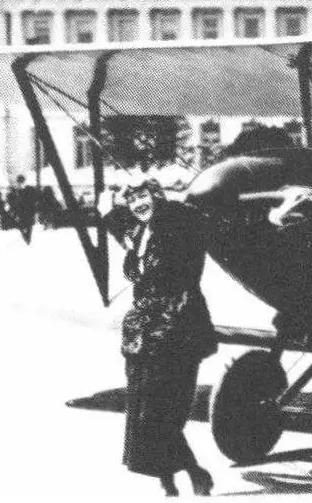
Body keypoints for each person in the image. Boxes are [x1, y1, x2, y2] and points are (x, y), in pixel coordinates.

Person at [104, 178, 216, 497]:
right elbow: (121, 224)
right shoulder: (140, 233)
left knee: (161, 412)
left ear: (157, 196)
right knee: (143, 412)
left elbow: (186, 217)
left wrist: (168, 203)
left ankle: (194, 472)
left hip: (177, 329)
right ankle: (168, 482)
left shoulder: (176, 226)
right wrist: (108, 208)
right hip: (142, 335)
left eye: (143, 196)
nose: (137, 204)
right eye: (131, 199)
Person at [7, 175, 38, 245]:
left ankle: (28, 239)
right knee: (21, 225)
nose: (20, 183)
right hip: (20, 211)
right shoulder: (16, 190)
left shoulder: (29, 189)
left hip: (28, 210)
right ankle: (26, 238)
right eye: (19, 182)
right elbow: (12, 201)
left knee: (28, 226)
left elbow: (34, 199)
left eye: (21, 181)